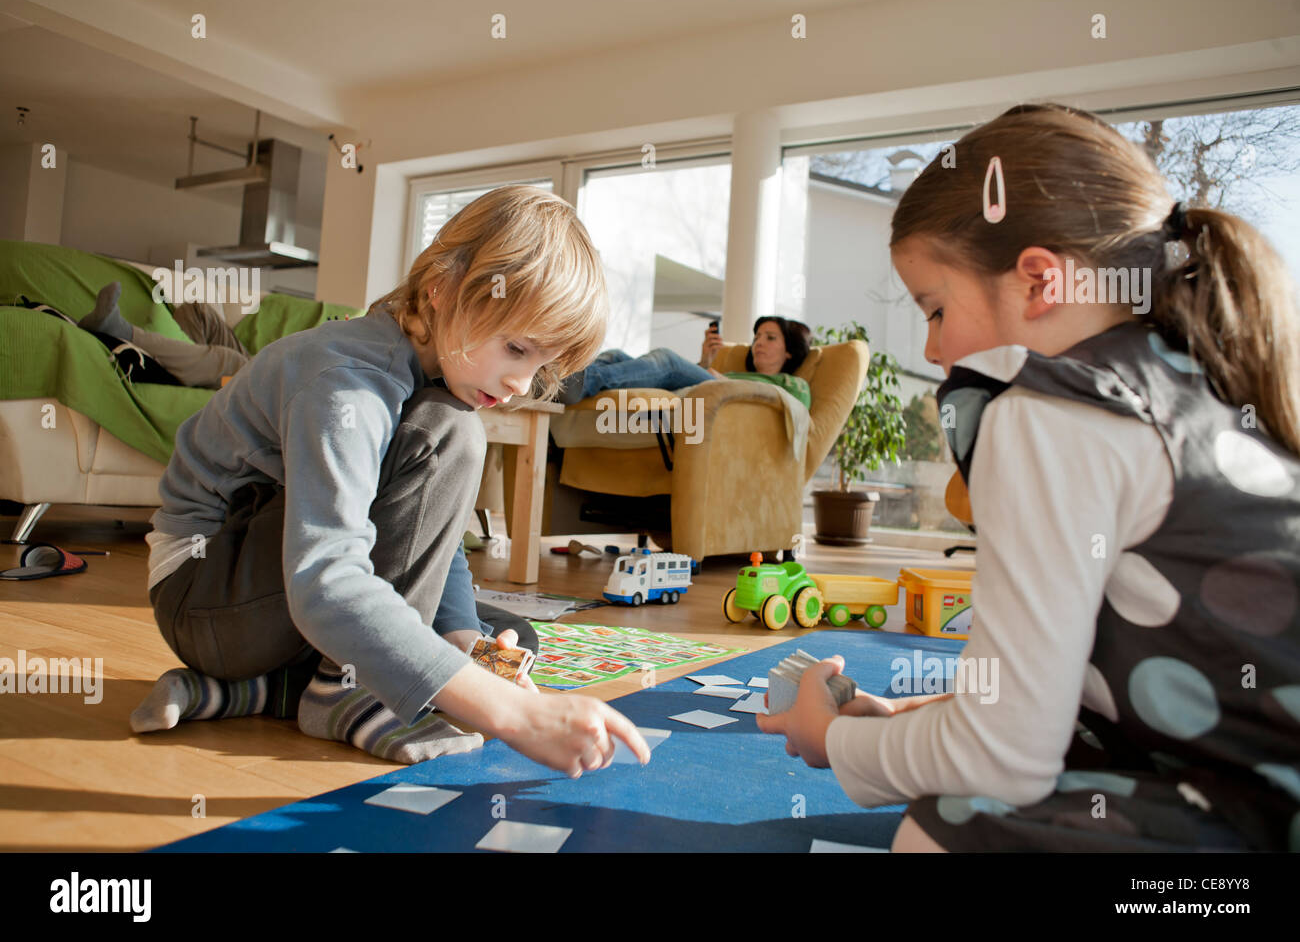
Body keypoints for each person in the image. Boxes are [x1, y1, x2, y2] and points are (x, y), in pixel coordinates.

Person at [758, 102, 1300, 852]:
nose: (934, 348)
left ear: (1040, 282)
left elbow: (1005, 759)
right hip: (1235, 781)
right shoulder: (1194, 383)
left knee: (939, 833)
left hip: (1246, 821)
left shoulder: (1051, 409)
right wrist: (912, 724)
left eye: (937, 309)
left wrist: (835, 743)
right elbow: (1054, 691)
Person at [130, 185, 651, 773]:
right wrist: (512, 714)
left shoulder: (421, 368)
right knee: (453, 438)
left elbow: (430, 533)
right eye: (515, 348)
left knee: (502, 640)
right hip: (205, 594)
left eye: (540, 365)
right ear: (441, 290)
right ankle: (348, 695)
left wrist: (462, 640)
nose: (521, 385)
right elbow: (325, 579)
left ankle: (263, 692)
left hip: (263, 604)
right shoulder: (349, 379)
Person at [556, 315, 814, 408]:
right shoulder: (737, 372)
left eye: (770, 338)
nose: (759, 342)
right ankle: (565, 377)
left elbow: (796, 407)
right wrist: (704, 361)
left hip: (728, 397)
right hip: (707, 389)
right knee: (614, 356)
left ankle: (571, 384)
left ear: (789, 351)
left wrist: (723, 381)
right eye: (757, 336)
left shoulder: (792, 384)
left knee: (667, 359)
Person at [75, 280, 251, 388]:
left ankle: (122, 332)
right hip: (261, 366)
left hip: (263, 389)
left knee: (230, 362)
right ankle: (185, 365)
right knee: (198, 312)